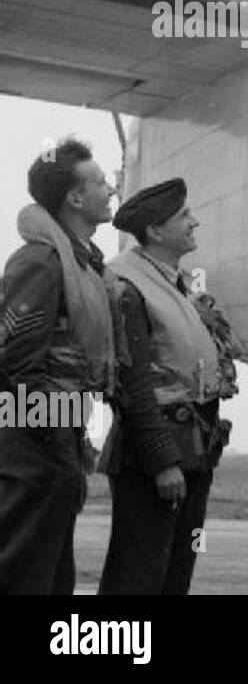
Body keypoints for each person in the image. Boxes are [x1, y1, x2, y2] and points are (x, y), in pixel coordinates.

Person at [98, 178, 238, 595]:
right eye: (184, 216)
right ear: (156, 232)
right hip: (156, 455)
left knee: (173, 577)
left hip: (191, 451)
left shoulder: (173, 283)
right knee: (138, 579)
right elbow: (132, 385)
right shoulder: (128, 286)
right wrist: (162, 461)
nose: (195, 221)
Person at [0, 138, 118, 594]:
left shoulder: (81, 264)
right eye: (102, 182)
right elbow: (15, 367)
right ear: (74, 198)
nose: (111, 189)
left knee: (50, 575)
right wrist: (52, 442)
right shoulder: (43, 261)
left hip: (57, 436)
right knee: (23, 571)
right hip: (34, 445)